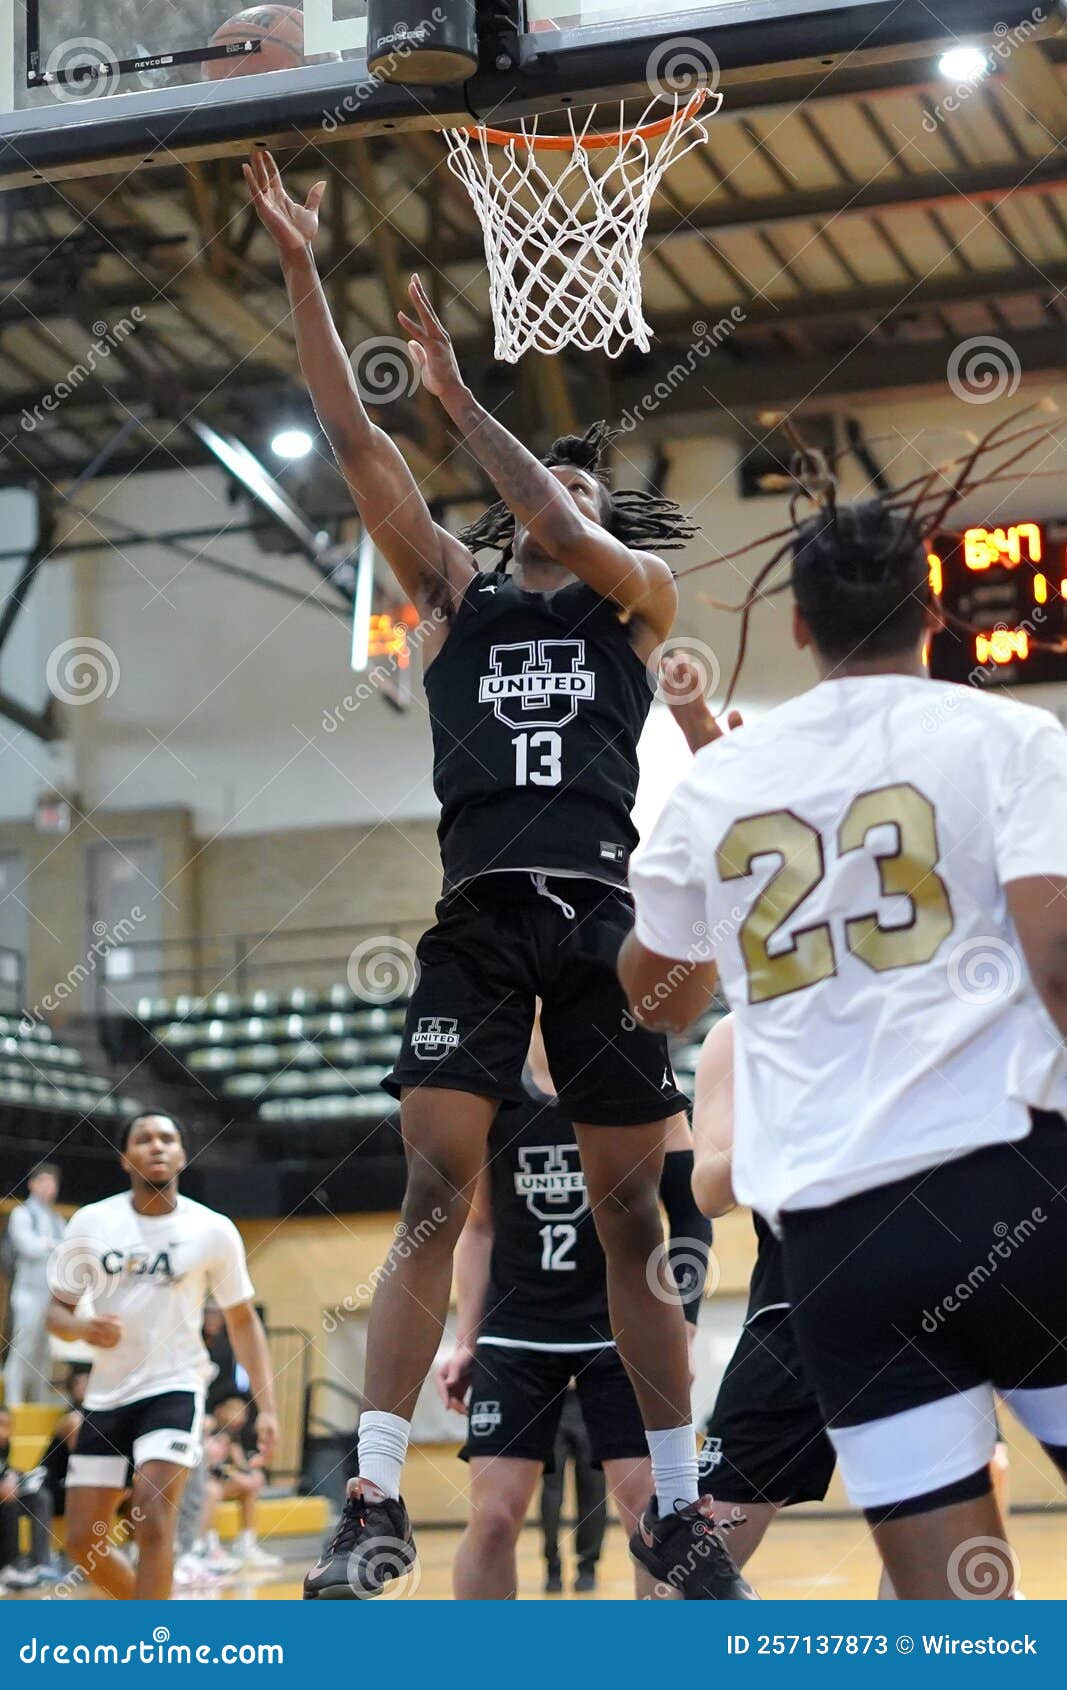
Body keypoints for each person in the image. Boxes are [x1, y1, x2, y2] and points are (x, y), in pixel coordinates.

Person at [246, 147, 748, 1601]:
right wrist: (297, 262)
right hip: (476, 920)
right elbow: (352, 441)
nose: (559, 507)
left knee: (634, 1217)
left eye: (577, 493)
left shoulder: (631, 605)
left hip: (601, 924)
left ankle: (679, 1501)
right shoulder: (452, 600)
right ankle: (369, 1493)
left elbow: (565, 522)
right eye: (545, 490)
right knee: (424, 1183)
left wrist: (467, 399)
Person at [620, 487, 1067, 1598]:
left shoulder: (720, 781)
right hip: (1009, 1183)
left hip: (840, 1238)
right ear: (932, 610)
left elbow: (656, 1000)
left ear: (798, 627)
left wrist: (737, 931)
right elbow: (1054, 965)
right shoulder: (1008, 736)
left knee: (954, 1603)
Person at [435, 1021, 710, 1599]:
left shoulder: (636, 1072)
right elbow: (478, 1227)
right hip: (518, 1329)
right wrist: (467, 1338)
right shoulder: (497, 1087)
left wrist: (681, 1325)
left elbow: (690, 1215)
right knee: (493, 1518)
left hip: (622, 1328)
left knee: (650, 1519)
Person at [45, 1113, 278, 1600]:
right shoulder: (91, 1221)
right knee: (82, 1541)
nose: (156, 1146)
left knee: (151, 1515)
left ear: (182, 1155)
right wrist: (83, 1328)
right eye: (144, 1139)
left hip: (174, 1387)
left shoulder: (212, 1229)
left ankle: (154, 1652)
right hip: (107, 1394)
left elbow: (242, 1321)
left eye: (167, 1138)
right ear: (124, 1156)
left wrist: (268, 1407)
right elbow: (56, 1314)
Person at [3, 1164, 64, 1406]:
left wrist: (49, 1244)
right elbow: (28, 1247)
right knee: (23, 1348)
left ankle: (38, 1402)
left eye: (53, 1183)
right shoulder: (22, 1214)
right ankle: (13, 1403)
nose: (49, 1188)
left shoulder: (57, 1219)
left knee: (43, 1352)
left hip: (50, 1296)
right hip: (27, 1294)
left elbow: (66, 1250)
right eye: (44, 1182)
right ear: (32, 1184)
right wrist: (51, 1245)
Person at [540, 1389, 606, 1594]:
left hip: (570, 1398)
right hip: (571, 1397)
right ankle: (581, 1568)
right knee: (588, 1493)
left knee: (555, 1492)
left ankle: (560, 1568)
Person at [0, 1404, 59, 1589]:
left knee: (41, 1497)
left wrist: (13, 1475)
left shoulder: (5, 1445)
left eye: (8, 1425)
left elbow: (5, 1468)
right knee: (9, 1503)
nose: (4, 1430)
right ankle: (8, 1566)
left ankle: (40, 1563)